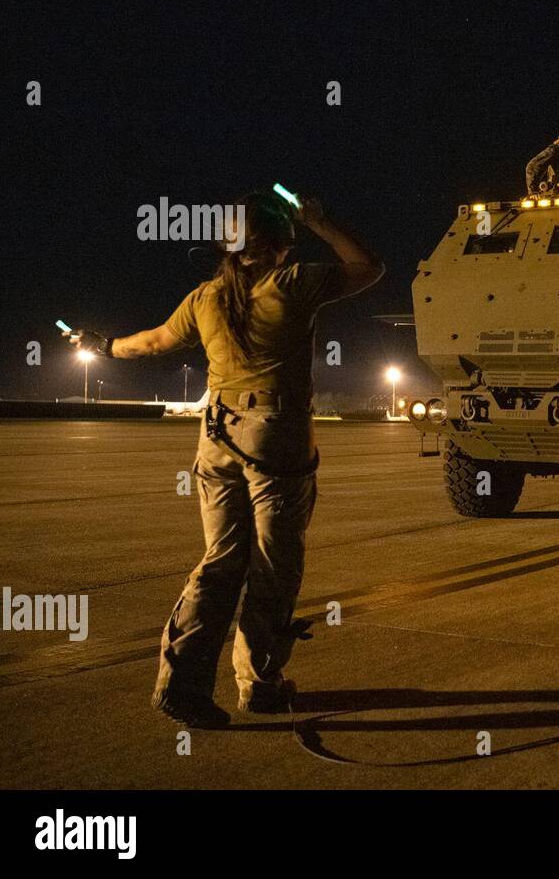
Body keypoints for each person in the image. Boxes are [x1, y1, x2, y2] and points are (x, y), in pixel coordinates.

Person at [68, 191, 384, 727]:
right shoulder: (292, 284)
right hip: (275, 439)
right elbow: (368, 267)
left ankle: (182, 684)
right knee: (273, 568)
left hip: (215, 439)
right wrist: (322, 221)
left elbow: (149, 344)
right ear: (277, 245)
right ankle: (259, 684)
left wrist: (103, 346)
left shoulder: (205, 298)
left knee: (219, 562)